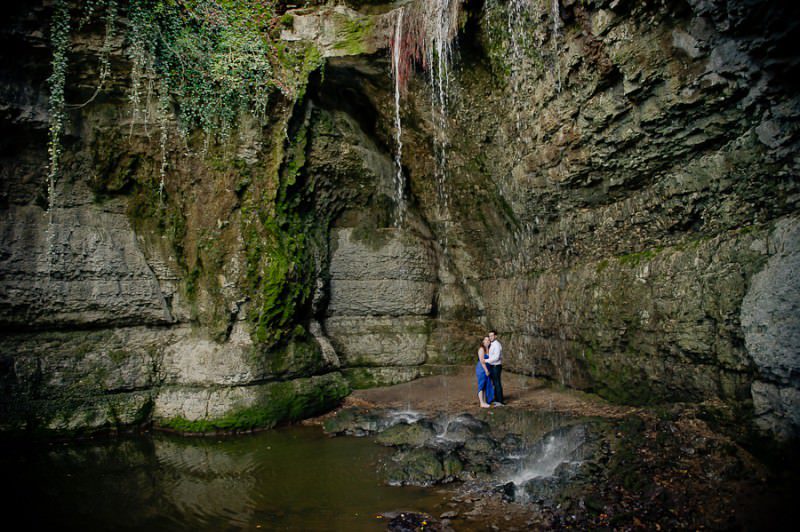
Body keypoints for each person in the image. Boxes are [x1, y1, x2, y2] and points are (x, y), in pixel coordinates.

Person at [486, 330, 504, 405]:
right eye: (489, 336)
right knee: (494, 384)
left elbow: (496, 357)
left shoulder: (497, 345)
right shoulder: (491, 344)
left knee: (497, 383)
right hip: (492, 366)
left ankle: (500, 401)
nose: (490, 337)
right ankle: (496, 399)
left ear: (495, 336)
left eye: (492, 335)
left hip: (496, 366)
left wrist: (485, 360)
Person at [476, 336, 494, 408]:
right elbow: (482, 361)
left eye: (488, 340)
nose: (487, 341)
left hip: (487, 368)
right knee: (481, 385)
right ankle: (481, 403)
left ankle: (484, 402)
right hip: (481, 368)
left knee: (485, 385)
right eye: (486, 340)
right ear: (483, 341)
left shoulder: (489, 349)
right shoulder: (481, 349)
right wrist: (486, 370)